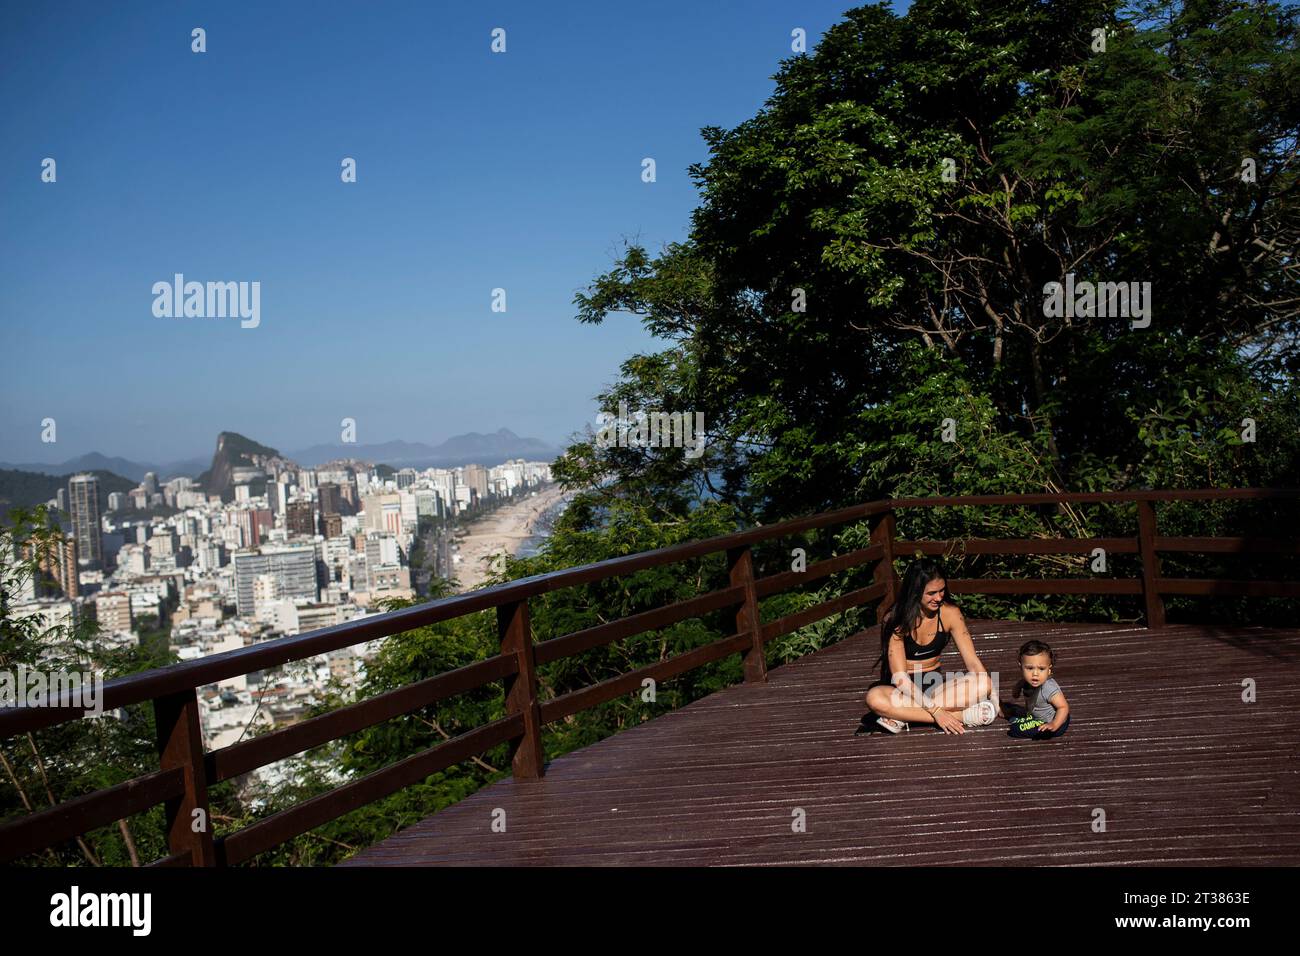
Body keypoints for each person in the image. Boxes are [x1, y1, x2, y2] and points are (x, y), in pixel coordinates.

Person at [862, 558, 1000, 734]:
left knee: (984, 683)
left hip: (935, 688)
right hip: (903, 692)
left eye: (942, 591)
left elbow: (973, 663)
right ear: (915, 592)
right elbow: (900, 678)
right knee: (874, 698)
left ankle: (901, 717)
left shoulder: (951, 614)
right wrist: (936, 712)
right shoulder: (895, 619)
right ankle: (962, 716)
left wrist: (997, 704)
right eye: (931, 593)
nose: (939, 597)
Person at [1005, 640, 1071, 739]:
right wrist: (1017, 690)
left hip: (1054, 723)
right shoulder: (1027, 681)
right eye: (1030, 668)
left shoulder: (1048, 688)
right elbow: (1020, 684)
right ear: (1021, 667)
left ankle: (1027, 723)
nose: (1035, 673)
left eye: (1041, 669)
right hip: (1038, 717)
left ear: (1049, 670)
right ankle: (1027, 719)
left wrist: (1054, 724)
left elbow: (1063, 707)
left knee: (1015, 729)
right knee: (1011, 712)